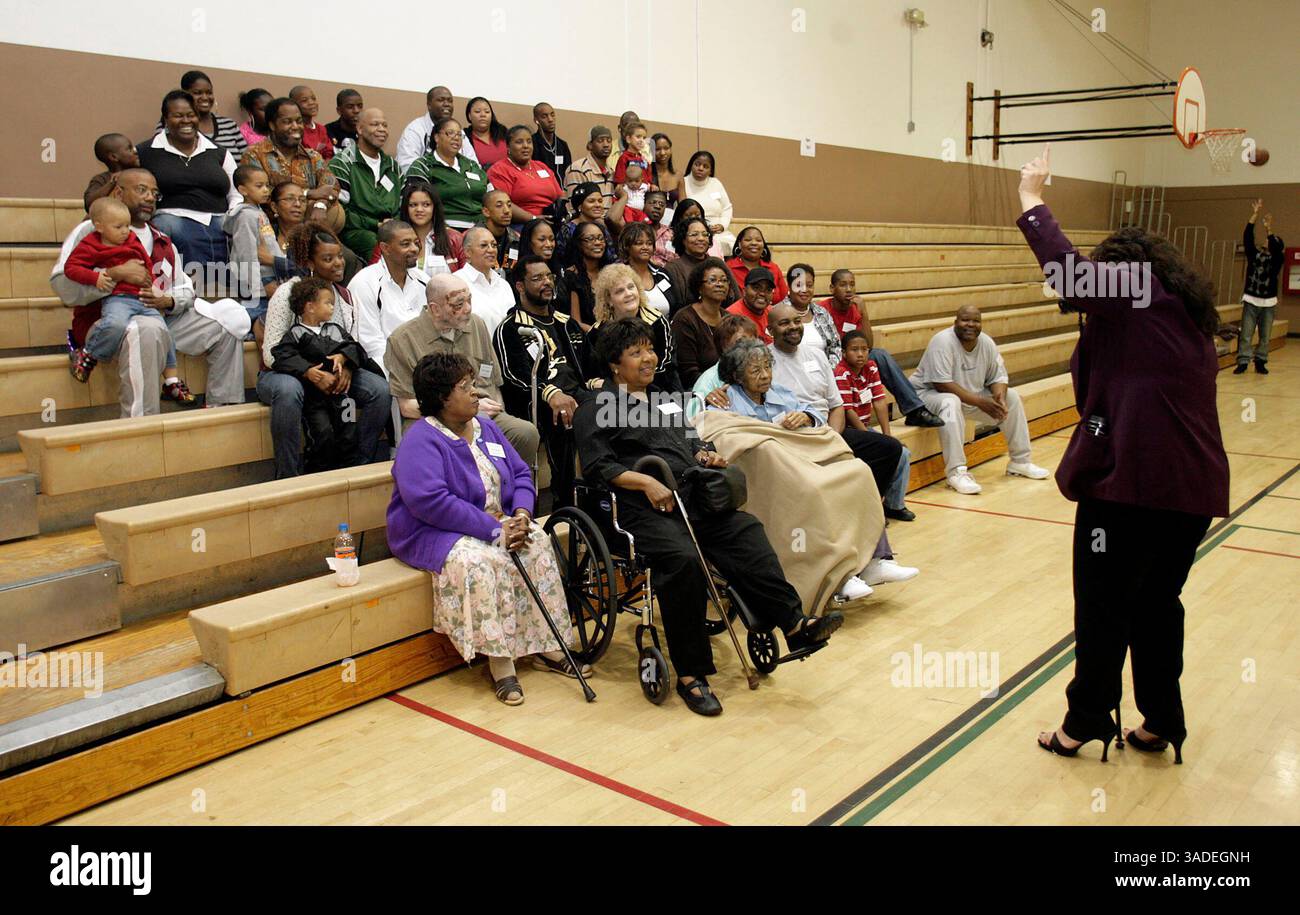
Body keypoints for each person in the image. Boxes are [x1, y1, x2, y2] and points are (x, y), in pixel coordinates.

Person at [1016, 145, 1229, 765]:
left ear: (1123, 271)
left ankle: (1084, 723)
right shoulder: (1181, 314)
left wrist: (1033, 195)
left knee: (1104, 607)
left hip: (1128, 491)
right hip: (1187, 496)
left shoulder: (1134, 292)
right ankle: (1160, 719)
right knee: (1158, 607)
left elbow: (1065, 270)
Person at [574, 319, 845, 716]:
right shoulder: (599, 406)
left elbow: (692, 442)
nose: (648, 358)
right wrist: (646, 484)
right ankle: (691, 674)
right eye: (636, 353)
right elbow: (598, 466)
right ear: (614, 365)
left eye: (649, 349)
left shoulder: (665, 399)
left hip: (691, 496)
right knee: (683, 560)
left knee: (745, 530)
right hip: (639, 508)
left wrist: (706, 455)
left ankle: (793, 624)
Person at [387, 352, 586, 706]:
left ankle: (548, 644)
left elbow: (522, 472)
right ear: (442, 398)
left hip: (499, 520)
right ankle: (501, 662)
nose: (476, 393)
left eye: (474, 384)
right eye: (466, 387)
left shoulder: (487, 427)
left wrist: (522, 514)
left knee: (537, 542)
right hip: (434, 530)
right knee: (480, 561)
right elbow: (432, 503)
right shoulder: (421, 440)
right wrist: (493, 528)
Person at [51, 168, 245, 417]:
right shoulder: (91, 231)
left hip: (159, 316)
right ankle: (142, 423)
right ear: (119, 193)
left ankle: (223, 409)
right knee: (146, 328)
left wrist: (169, 299)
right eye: (142, 190)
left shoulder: (162, 238)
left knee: (226, 327)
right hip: (107, 321)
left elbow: (185, 288)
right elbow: (62, 284)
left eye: (155, 193)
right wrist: (113, 275)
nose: (151, 197)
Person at [259, 224, 391, 478]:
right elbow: (272, 352)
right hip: (287, 372)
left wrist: (347, 365)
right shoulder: (288, 293)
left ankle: (357, 465)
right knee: (288, 391)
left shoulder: (347, 297)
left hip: (333, 370)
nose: (338, 263)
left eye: (339, 256)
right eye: (327, 259)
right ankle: (287, 475)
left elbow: (352, 342)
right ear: (309, 261)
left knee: (380, 390)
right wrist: (309, 372)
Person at [385, 274, 539, 465]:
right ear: (435, 309)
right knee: (451, 448)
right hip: (432, 419)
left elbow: (494, 385)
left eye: (469, 300)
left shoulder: (476, 324)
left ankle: (511, 490)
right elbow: (407, 406)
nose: (468, 309)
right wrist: (464, 410)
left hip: (481, 413)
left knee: (525, 433)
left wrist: (492, 417)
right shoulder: (403, 339)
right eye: (458, 305)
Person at [909, 304, 1050, 494]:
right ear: (955, 322)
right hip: (926, 397)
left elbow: (998, 377)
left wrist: (999, 397)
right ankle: (956, 473)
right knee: (950, 401)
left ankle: (1020, 462)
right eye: (965, 320)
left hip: (967, 396)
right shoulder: (942, 341)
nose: (971, 324)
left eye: (976, 321)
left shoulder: (986, 343)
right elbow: (941, 384)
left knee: (1012, 397)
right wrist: (981, 402)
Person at [62, 197, 192, 401]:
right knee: (115, 323)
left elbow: (146, 262)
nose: (125, 231)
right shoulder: (90, 244)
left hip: (141, 297)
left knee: (165, 332)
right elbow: (71, 268)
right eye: (118, 227)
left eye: (127, 226)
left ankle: (171, 381)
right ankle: (88, 353)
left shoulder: (131, 239)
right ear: (99, 227)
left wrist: (150, 283)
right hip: (117, 298)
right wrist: (96, 277)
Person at [494, 256, 588, 509]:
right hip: (537, 403)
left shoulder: (565, 322)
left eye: (549, 276)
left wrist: (597, 381)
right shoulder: (511, 327)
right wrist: (550, 392)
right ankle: (565, 502)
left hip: (577, 393)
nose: (546, 282)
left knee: (617, 405)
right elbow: (515, 377)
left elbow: (588, 365)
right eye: (537, 278)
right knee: (563, 414)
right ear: (520, 286)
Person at [271, 277, 383, 471]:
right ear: (310, 307)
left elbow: (356, 348)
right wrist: (307, 371)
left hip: (343, 396)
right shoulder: (296, 333)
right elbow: (282, 356)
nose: (332, 307)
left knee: (348, 431)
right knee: (322, 433)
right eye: (328, 303)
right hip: (315, 400)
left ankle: (349, 469)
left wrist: (344, 357)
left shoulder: (335, 330)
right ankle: (319, 472)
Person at [138, 90, 240, 297]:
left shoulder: (218, 152)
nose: (186, 120)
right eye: (178, 115)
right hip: (172, 214)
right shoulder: (146, 152)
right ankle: (182, 295)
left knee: (236, 227)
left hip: (218, 216)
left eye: (191, 115)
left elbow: (236, 192)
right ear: (166, 119)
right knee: (173, 229)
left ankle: (237, 296)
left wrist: (233, 214)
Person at [821, 269, 944, 429]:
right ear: (832, 288)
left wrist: (863, 313)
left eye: (852, 284)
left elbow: (869, 346)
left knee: (879, 355)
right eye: (843, 285)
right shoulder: (822, 309)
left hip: (852, 359)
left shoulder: (855, 308)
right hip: (831, 361)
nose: (849, 289)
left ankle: (914, 410)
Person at [835, 330, 915, 521]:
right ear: (844, 353)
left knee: (903, 454)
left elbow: (879, 402)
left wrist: (887, 436)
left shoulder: (871, 367)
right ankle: (872, 507)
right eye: (855, 350)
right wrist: (877, 441)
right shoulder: (840, 372)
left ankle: (894, 505)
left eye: (864, 349)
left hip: (866, 429)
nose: (861, 354)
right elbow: (848, 411)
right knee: (878, 456)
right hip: (850, 432)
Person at [241, 98, 343, 237]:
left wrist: (320, 205)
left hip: (310, 231)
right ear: (272, 125)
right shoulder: (254, 155)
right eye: (287, 122)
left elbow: (331, 186)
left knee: (347, 257)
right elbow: (259, 194)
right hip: (269, 231)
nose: (295, 126)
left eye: (299, 121)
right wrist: (308, 194)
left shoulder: (312, 156)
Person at [583, 263, 679, 390]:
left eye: (631, 287)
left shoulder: (657, 321)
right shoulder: (597, 332)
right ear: (609, 300)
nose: (628, 294)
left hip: (660, 389)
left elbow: (667, 367)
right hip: (614, 396)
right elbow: (592, 372)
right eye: (620, 291)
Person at [350, 220, 428, 370]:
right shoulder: (364, 283)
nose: (414, 249)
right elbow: (371, 344)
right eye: (405, 244)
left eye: (416, 243)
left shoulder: (423, 279)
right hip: (385, 364)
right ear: (385, 248)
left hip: (425, 364)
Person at [328, 108, 402, 260]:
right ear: (360, 129)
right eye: (375, 124)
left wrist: (392, 225)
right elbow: (339, 211)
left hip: (391, 230)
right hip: (356, 231)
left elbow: (402, 205)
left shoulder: (393, 166)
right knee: (375, 244)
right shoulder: (342, 163)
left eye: (385, 125)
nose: (382, 129)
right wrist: (375, 224)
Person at [403, 117, 491, 230]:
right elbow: (416, 205)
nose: (456, 138)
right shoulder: (423, 166)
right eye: (450, 133)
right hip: (446, 228)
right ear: (436, 137)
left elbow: (491, 195)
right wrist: (444, 229)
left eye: (459, 135)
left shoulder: (471, 165)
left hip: (481, 227)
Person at [223, 164, 280, 325]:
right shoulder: (246, 216)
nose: (265, 190)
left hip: (268, 275)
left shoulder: (259, 212)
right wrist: (256, 289)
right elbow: (246, 253)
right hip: (257, 281)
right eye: (259, 186)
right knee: (255, 318)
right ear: (243, 190)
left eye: (267, 185)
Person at [1236, 198, 1284, 375]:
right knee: (1246, 333)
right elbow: (1247, 237)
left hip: (1268, 303)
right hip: (1250, 299)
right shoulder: (1254, 254)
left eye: (1271, 241)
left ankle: (1261, 361)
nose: (1267, 241)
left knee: (1265, 336)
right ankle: (1243, 360)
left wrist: (1269, 228)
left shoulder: (1278, 260)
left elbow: (1276, 249)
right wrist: (1254, 215)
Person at [672, 257, 735, 388]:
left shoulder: (728, 318)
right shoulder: (685, 319)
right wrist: (716, 388)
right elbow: (688, 372)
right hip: (699, 389)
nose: (720, 284)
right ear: (699, 287)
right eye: (713, 280)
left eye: (724, 280)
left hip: (730, 386)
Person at [156, 71, 245, 158]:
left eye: (209, 93)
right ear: (185, 95)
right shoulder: (170, 125)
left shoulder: (229, 125)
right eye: (197, 93)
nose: (205, 97)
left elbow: (246, 159)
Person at [686, 313, 758, 419]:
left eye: (753, 341)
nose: (750, 346)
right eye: (741, 341)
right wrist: (706, 404)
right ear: (723, 346)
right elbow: (692, 421)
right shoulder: (708, 381)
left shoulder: (763, 372)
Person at [487, 126, 564, 223]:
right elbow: (503, 205)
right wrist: (533, 218)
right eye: (519, 142)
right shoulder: (500, 170)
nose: (526, 146)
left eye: (529, 141)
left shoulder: (541, 166)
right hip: (523, 224)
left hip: (552, 220)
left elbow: (560, 196)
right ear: (508, 147)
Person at [395, 86, 479, 174]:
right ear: (429, 105)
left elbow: (474, 165)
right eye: (441, 100)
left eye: (450, 101)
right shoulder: (415, 129)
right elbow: (407, 166)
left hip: (458, 183)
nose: (447, 104)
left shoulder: (458, 132)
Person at [388, 179, 463, 275]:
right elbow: (377, 275)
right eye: (413, 205)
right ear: (406, 208)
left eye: (426, 205)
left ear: (434, 208)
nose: (419, 209)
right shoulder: (392, 237)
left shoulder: (454, 238)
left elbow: (467, 277)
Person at [664, 214, 739, 305]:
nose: (701, 238)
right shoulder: (673, 268)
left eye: (705, 234)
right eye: (694, 234)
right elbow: (677, 304)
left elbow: (737, 297)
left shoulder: (717, 263)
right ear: (683, 239)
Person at [453, 227, 515, 335]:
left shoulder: (504, 284)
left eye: (494, 245)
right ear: (467, 252)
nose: (491, 250)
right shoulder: (455, 283)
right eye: (483, 245)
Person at [784, 263, 842, 366]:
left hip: (824, 373)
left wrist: (828, 371)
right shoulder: (779, 313)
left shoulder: (822, 313)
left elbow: (836, 346)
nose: (805, 290)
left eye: (809, 285)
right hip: (792, 373)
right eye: (798, 285)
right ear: (789, 286)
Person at [617, 222, 678, 316]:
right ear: (627, 247)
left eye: (649, 243)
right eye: (639, 243)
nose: (645, 247)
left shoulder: (662, 274)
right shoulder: (619, 277)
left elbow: (676, 305)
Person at [681, 151, 734, 255]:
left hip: (719, 231)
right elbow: (681, 211)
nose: (700, 168)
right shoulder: (683, 182)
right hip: (695, 231)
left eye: (705, 166)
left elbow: (727, 208)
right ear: (691, 165)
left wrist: (722, 225)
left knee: (735, 244)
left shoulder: (716, 183)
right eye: (697, 164)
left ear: (710, 171)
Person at [554, 183, 616, 270]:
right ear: (579, 206)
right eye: (591, 201)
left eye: (600, 201)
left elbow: (611, 257)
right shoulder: (567, 230)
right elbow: (560, 259)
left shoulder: (602, 228)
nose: (598, 205)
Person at [564, 220, 609, 331]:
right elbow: (576, 322)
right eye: (590, 239)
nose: (598, 243)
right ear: (579, 244)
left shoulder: (610, 272)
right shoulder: (572, 276)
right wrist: (601, 335)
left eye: (600, 238)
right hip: (589, 338)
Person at [726, 226, 788, 305]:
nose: (754, 243)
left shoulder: (773, 268)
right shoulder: (728, 268)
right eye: (748, 240)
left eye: (758, 240)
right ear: (739, 244)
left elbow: (783, 296)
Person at [83, 133, 142, 212]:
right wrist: (113, 182)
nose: (135, 151)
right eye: (129, 149)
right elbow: (89, 204)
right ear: (113, 157)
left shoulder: (142, 175)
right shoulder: (102, 179)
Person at [726, 266, 777, 343]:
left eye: (768, 290)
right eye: (756, 288)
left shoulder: (772, 313)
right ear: (744, 290)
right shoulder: (732, 316)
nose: (762, 293)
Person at [563, 126, 615, 202]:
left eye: (609, 140)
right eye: (600, 141)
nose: (606, 144)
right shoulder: (578, 169)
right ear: (590, 145)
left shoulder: (611, 171)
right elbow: (574, 207)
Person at [289, 85, 334, 160]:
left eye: (313, 99)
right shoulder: (295, 129)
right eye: (304, 100)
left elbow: (328, 153)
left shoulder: (321, 129)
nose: (311, 103)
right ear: (293, 105)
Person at [479, 190, 520, 271]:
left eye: (509, 205)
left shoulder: (517, 238)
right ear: (486, 212)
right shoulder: (472, 239)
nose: (507, 211)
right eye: (499, 206)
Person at [465, 97, 508, 170]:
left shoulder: (503, 132)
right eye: (477, 111)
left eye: (487, 112)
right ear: (469, 116)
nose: (483, 115)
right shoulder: (464, 137)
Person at [530, 102, 571, 178]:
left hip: (562, 189)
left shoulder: (562, 145)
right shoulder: (531, 144)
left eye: (552, 115)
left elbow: (568, 172)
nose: (550, 119)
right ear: (536, 120)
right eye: (544, 116)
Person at [326, 89, 363, 154]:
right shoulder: (327, 132)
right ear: (339, 110)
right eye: (350, 107)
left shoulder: (365, 132)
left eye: (360, 106)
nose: (356, 111)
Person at [650, 132, 683, 201]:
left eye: (666, 148)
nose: (662, 153)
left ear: (670, 150)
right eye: (657, 149)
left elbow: (683, 205)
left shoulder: (678, 175)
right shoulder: (646, 174)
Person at [645, 191, 674, 266]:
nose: (657, 206)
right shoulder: (635, 230)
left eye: (662, 204)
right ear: (644, 204)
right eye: (653, 202)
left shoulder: (670, 233)